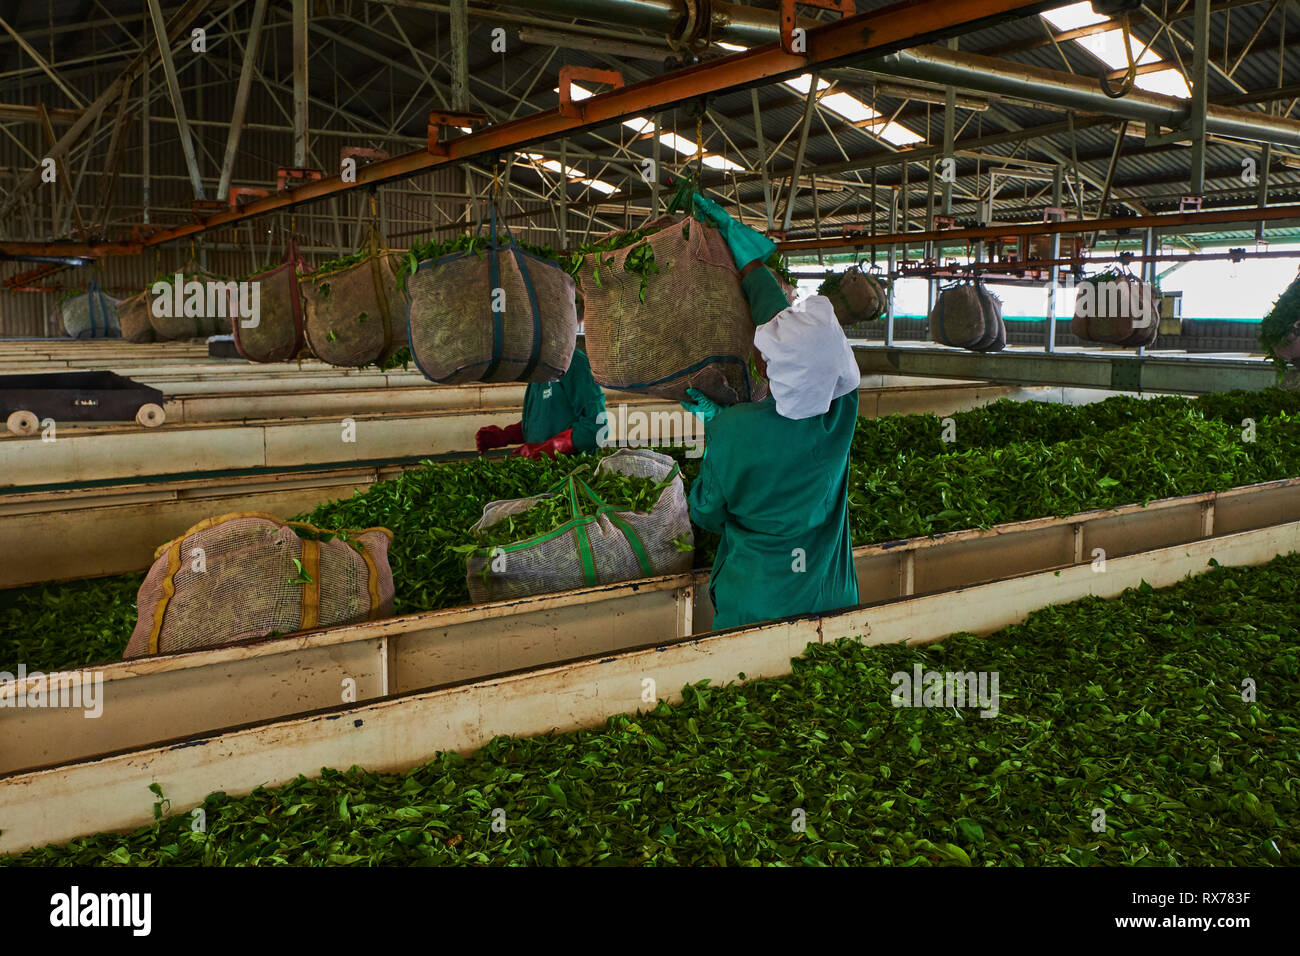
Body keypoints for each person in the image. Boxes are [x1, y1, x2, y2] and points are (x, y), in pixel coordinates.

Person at [682, 193, 861, 630]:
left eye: (766, 354)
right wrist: (750, 263)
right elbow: (802, 342)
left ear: (774, 368)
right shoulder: (840, 410)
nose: (760, 356)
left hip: (757, 605)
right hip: (832, 596)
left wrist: (717, 438)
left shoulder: (734, 430)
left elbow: (705, 513)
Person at [474, 343, 607, 459]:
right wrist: (505, 436)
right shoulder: (538, 372)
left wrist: (548, 448)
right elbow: (541, 422)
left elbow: (597, 427)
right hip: (544, 476)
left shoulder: (572, 362)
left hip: (570, 478)